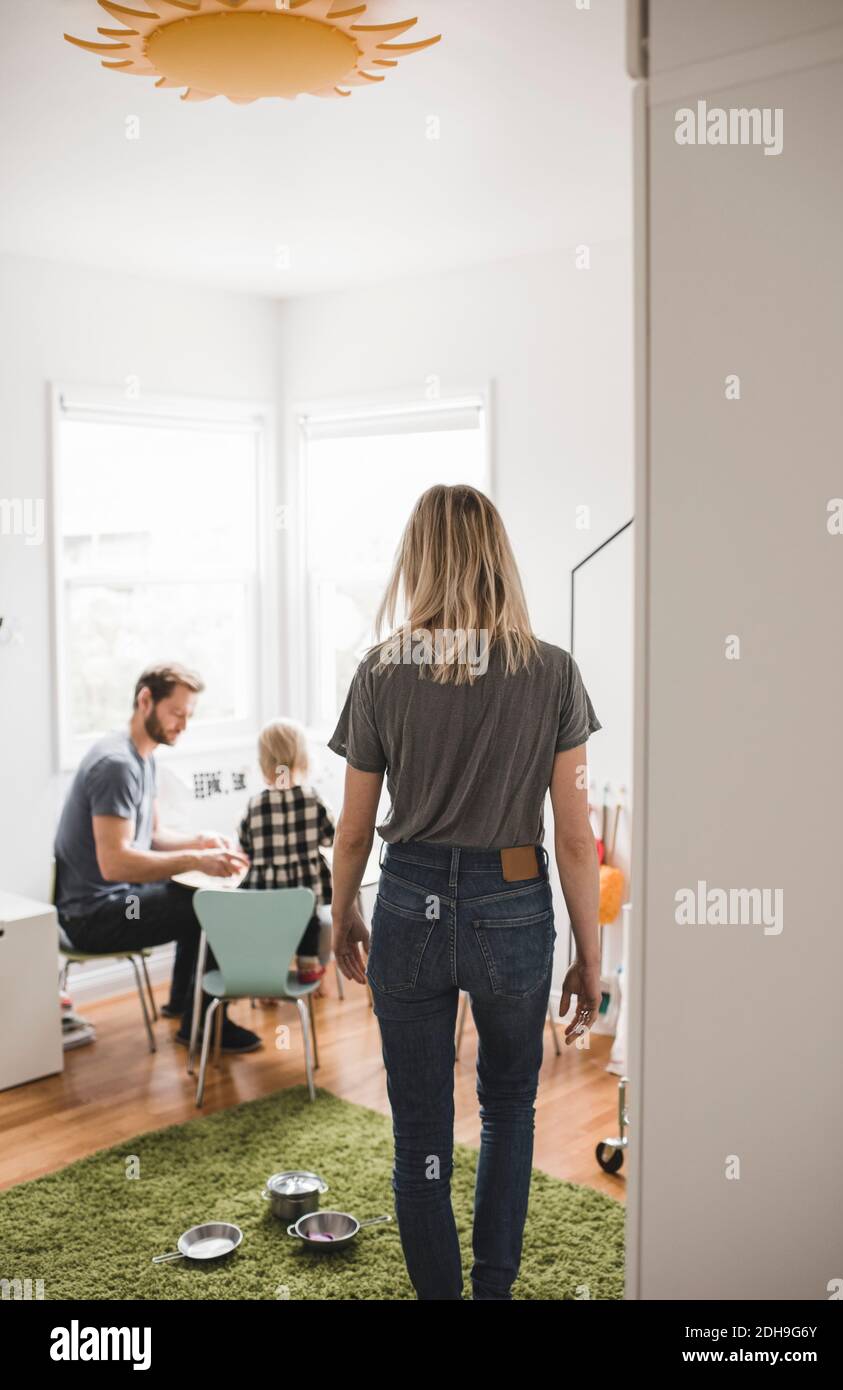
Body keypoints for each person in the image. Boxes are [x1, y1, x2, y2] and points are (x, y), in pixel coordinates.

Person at [326, 484, 602, 1301]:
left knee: (418, 1127)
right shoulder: (552, 671)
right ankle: (491, 1293)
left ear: (420, 560)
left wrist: (342, 913)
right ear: (498, 556)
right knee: (509, 1106)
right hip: (513, 903)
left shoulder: (380, 671)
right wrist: (591, 957)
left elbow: (351, 831)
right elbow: (576, 835)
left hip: (408, 901)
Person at [53, 662, 262, 1053]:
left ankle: (184, 1004)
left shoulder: (141, 756)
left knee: (193, 895)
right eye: (177, 713)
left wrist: (199, 842)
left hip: (115, 900)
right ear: (145, 700)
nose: (183, 725)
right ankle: (203, 1023)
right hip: (94, 915)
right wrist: (196, 862)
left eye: (189, 716)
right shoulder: (116, 765)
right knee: (212, 904)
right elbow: (115, 863)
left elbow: (149, 836)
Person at [237, 718, 336, 985]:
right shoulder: (313, 799)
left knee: (269, 933)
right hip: (306, 889)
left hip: (266, 891)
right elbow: (330, 837)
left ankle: (270, 979)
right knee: (309, 924)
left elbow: (245, 845)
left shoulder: (255, 804)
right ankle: (308, 970)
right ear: (303, 758)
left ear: (263, 763)